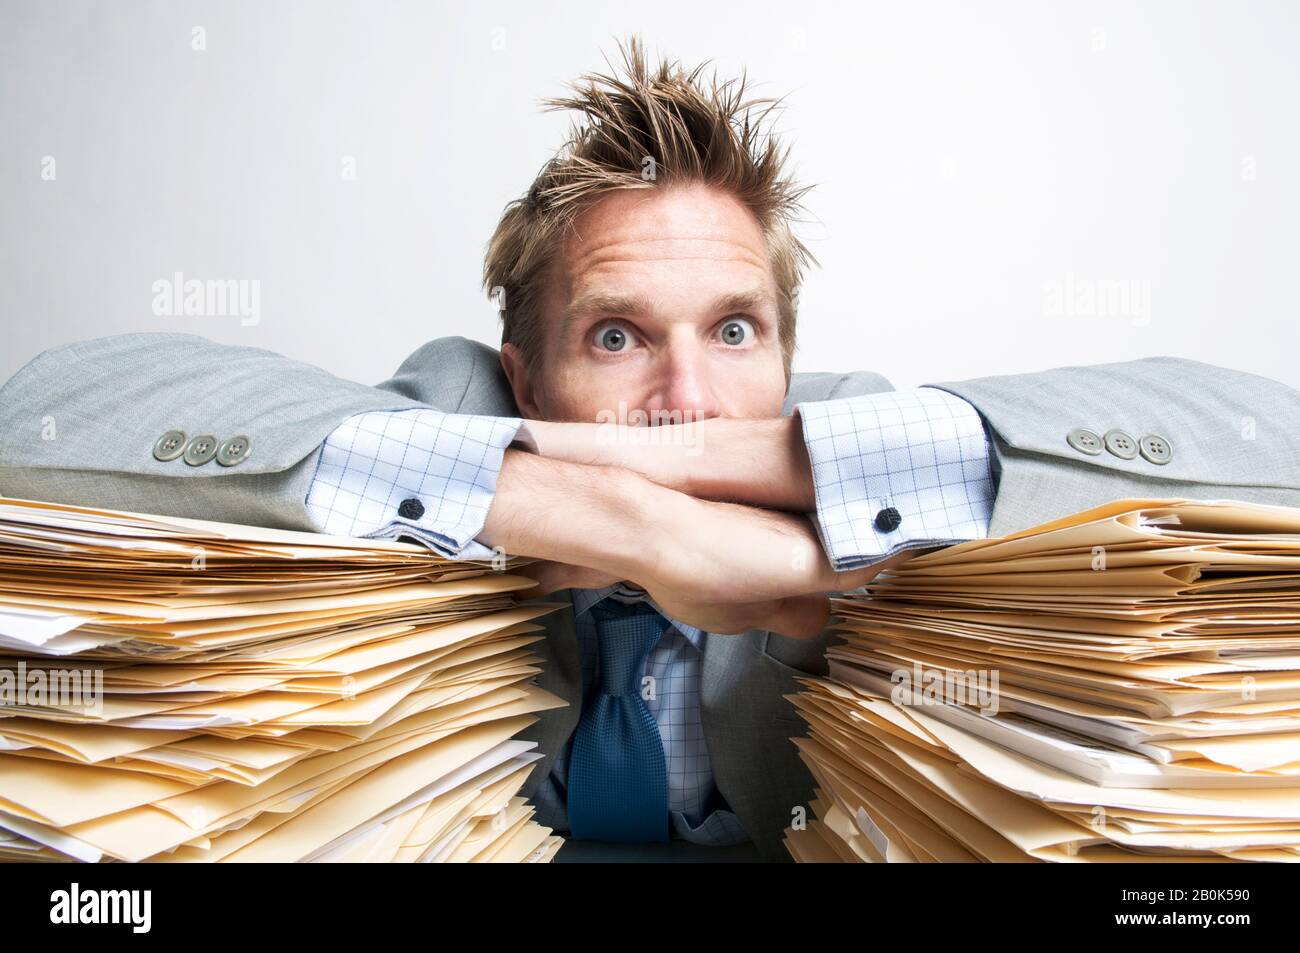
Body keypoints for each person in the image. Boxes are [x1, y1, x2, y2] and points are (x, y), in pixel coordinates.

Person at [3, 38, 1299, 863]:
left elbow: (1261, 441)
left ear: (791, 354)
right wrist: (626, 526)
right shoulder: (451, 417)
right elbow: (53, 413)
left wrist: (830, 489)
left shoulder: (851, 448)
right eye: (617, 334)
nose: (690, 395)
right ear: (526, 372)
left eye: (737, 328)